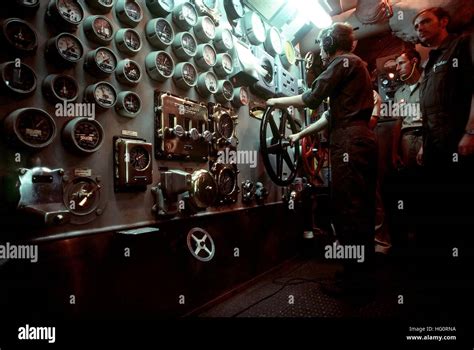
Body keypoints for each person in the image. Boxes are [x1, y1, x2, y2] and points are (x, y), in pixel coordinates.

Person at [267, 22, 378, 302]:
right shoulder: (355, 66)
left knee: (350, 211)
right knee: (357, 209)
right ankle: (358, 273)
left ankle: (356, 285)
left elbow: (311, 98)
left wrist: (276, 102)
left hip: (349, 142)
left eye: (321, 44)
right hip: (358, 139)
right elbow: (328, 117)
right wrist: (299, 135)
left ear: (329, 42)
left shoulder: (343, 62)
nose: (320, 51)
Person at [412, 7, 474, 316]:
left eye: (426, 21)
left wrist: (470, 131)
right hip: (434, 145)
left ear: (444, 22)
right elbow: (427, 109)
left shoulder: (462, 45)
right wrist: (424, 144)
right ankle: (442, 283)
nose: (420, 27)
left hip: (458, 139)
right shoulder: (429, 62)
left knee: (460, 210)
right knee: (437, 209)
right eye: (416, 24)